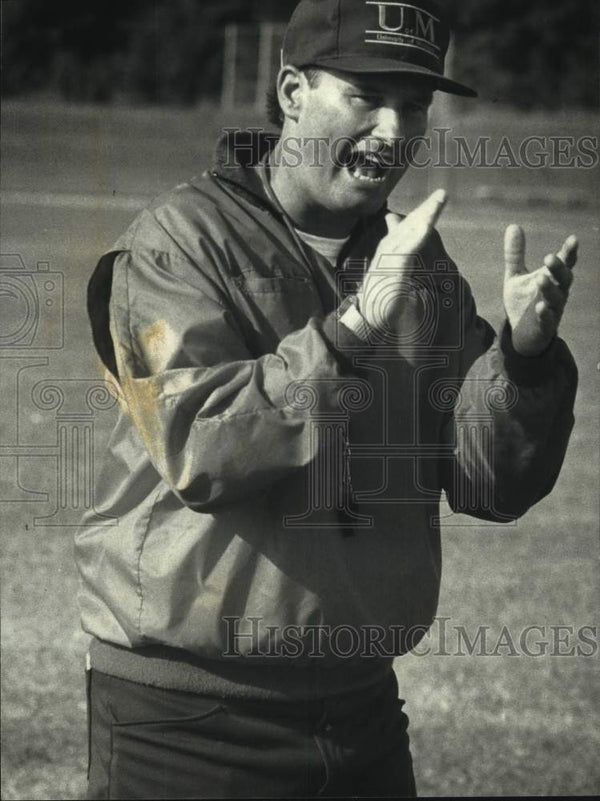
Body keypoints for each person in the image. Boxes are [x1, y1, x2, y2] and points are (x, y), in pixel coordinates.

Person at [76, 0, 579, 797]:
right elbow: (202, 445)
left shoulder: (418, 262)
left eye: (413, 104)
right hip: (186, 721)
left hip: (361, 710)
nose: (393, 128)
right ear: (290, 92)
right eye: (365, 95)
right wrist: (351, 327)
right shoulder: (180, 239)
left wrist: (523, 359)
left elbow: (489, 481)